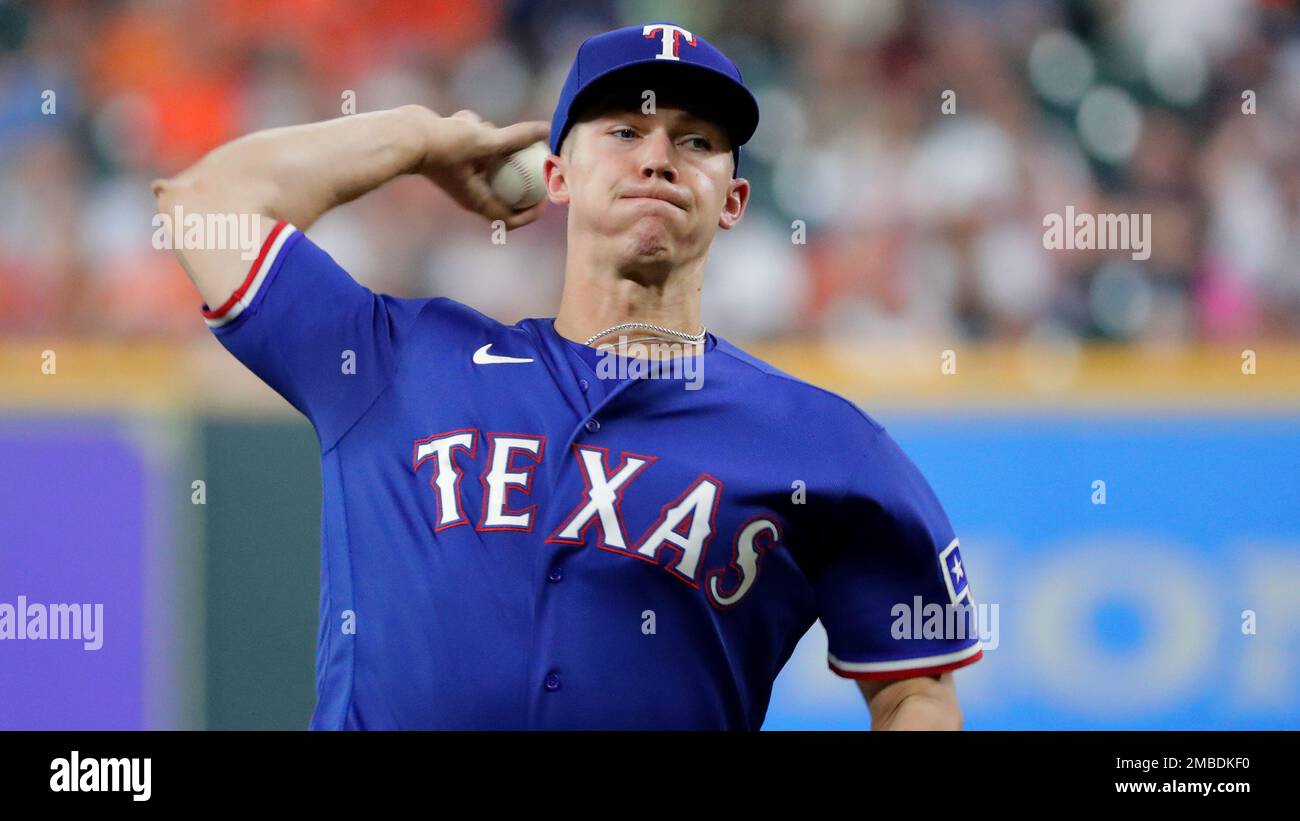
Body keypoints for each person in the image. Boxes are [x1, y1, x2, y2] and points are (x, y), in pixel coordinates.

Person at [152, 21, 982, 730]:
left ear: (732, 200)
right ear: (556, 176)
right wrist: (419, 137)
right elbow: (200, 202)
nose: (658, 158)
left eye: (694, 141)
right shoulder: (392, 361)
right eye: (623, 132)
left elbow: (915, 683)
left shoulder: (820, 442)